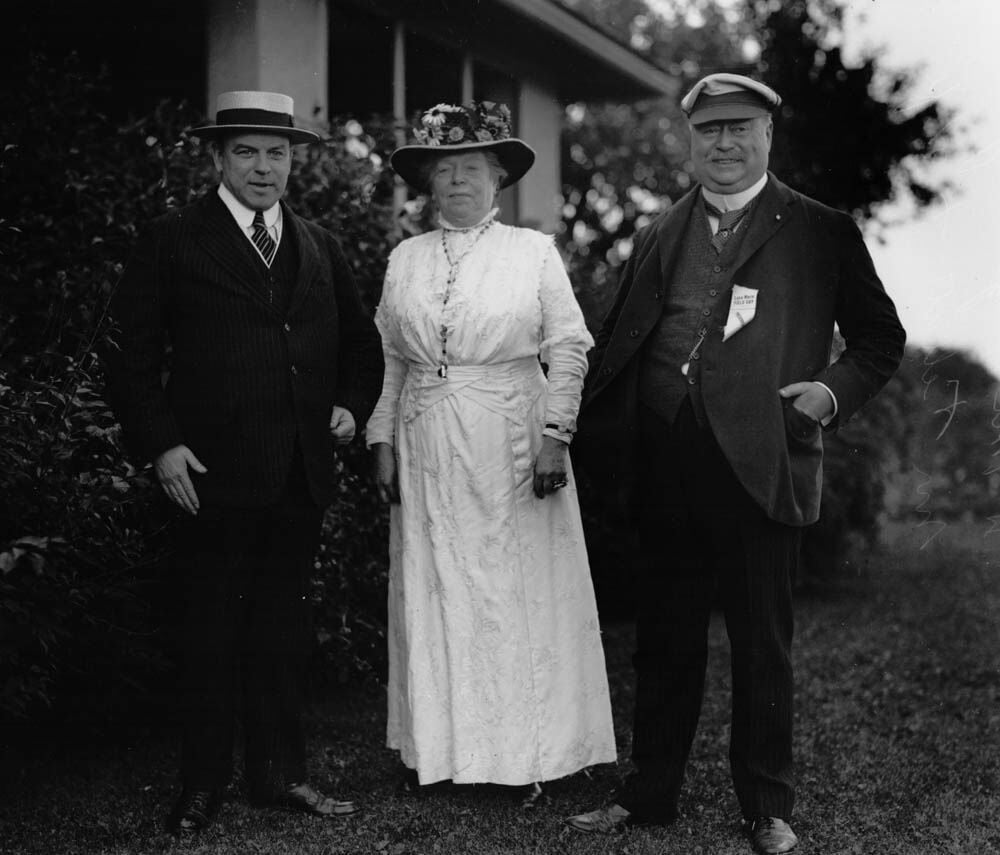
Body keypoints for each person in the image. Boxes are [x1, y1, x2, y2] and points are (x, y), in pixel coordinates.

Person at [565, 75, 905, 853]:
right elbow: (619, 336)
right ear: (689, 141)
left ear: (767, 137)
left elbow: (881, 339)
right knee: (665, 636)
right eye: (709, 130)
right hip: (666, 458)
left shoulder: (820, 229)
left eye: (739, 129)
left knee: (762, 642)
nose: (724, 144)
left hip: (762, 459)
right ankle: (650, 793)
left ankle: (766, 805)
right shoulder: (660, 231)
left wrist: (827, 392)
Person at [104, 90, 384, 836]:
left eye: (278, 152)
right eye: (249, 152)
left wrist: (352, 408)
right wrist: (161, 442)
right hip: (208, 476)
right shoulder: (172, 237)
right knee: (208, 634)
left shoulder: (319, 244)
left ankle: (280, 775)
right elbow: (126, 352)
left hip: (298, 474)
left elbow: (361, 344)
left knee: (282, 635)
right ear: (218, 158)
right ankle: (201, 783)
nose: (265, 167)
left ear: (294, 161)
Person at [367, 101, 616, 800]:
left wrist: (554, 436)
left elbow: (568, 347)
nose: (456, 183)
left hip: (509, 437)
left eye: (470, 169)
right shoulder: (404, 260)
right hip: (426, 443)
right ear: (427, 183)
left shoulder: (531, 253)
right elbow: (391, 357)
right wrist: (381, 434)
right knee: (437, 584)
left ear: (497, 177)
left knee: (511, 592)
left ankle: (522, 757)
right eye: (443, 171)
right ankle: (441, 752)